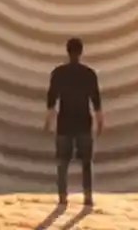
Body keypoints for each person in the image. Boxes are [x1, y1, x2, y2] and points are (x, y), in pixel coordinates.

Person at [44, 37, 104, 207]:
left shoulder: (58, 73)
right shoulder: (89, 74)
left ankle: (63, 197)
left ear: (67, 51)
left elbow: (51, 102)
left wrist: (48, 123)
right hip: (84, 123)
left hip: (64, 123)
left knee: (62, 163)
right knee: (86, 162)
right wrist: (100, 123)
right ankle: (88, 197)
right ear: (81, 52)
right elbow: (96, 101)